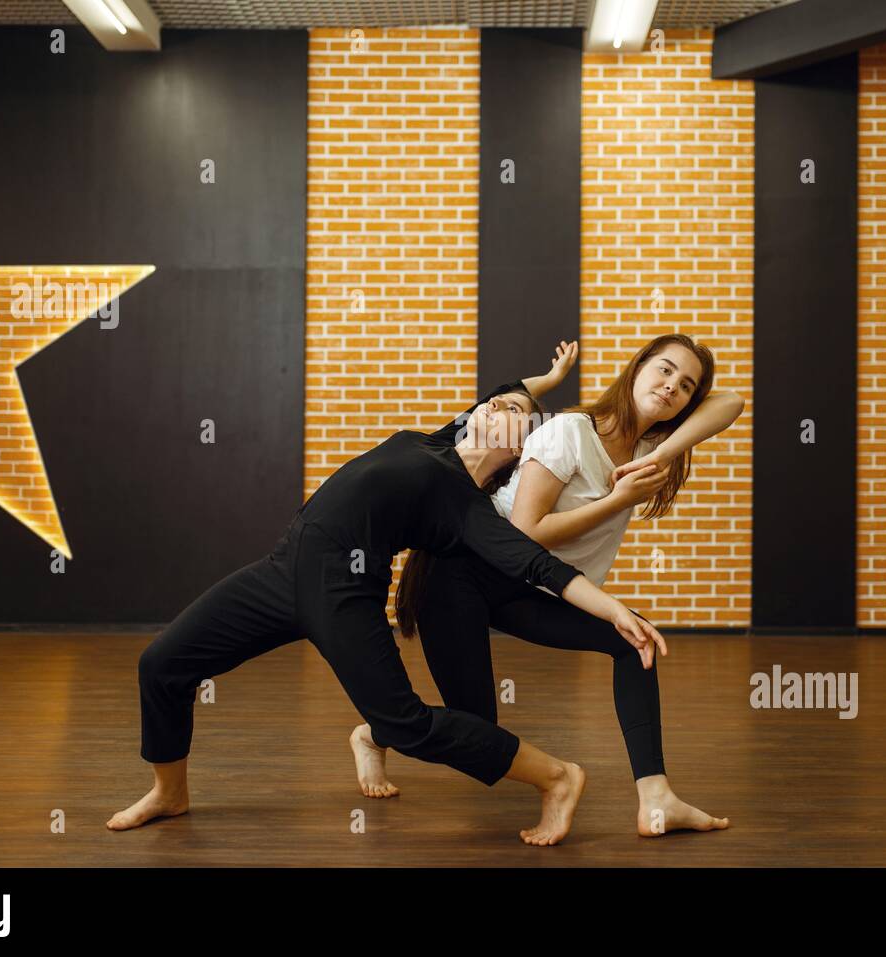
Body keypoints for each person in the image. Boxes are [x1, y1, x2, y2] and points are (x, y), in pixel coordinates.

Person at [108, 352, 666, 846]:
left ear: (519, 450)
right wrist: (544, 380)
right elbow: (504, 387)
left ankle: (558, 776)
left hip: (342, 592)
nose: (501, 408)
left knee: (406, 724)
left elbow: (537, 562)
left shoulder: (466, 508)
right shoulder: (436, 440)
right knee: (162, 664)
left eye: (517, 414)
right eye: (497, 404)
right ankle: (169, 792)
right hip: (281, 571)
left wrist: (615, 609)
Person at [353, 335, 743, 837]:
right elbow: (523, 535)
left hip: (529, 589)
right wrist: (618, 498)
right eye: (664, 370)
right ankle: (376, 732)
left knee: (633, 640)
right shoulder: (570, 432)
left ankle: (657, 797)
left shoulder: (649, 449)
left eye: (686, 385)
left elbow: (732, 401)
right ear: (637, 369)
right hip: (462, 575)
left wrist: (661, 454)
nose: (672, 386)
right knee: (478, 734)